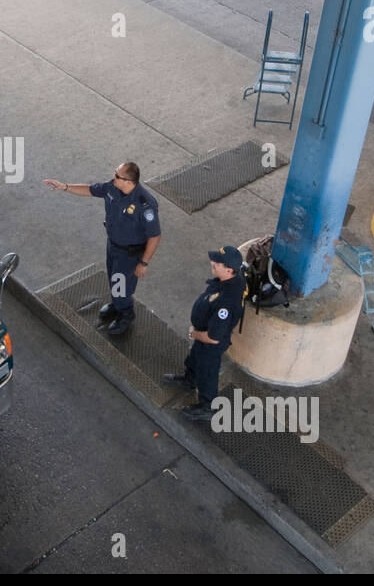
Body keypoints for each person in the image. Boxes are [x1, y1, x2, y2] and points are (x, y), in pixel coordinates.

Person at [44, 162, 161, 336]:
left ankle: (126, 314)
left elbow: (155, 236)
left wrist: (143, 263)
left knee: (121, 286)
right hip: (113, 245)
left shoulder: (145, 204)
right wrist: (65, 187)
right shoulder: (112, 188)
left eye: (117, 176)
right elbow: (91, 190)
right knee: (114, 279)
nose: (114, 177)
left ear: (128, 182)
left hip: (129, 255)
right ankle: (117, 304)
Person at [166, 245, 246, 421]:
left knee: (207, 371)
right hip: (203, 335)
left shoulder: (226, 304)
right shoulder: (234, 279)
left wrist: (194, 334)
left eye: (218, 263)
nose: (213, 262)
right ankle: (189, 380)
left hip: (209, 342)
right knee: (195, 358)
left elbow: (214, 338)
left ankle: (207, 406)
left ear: (229, 270)